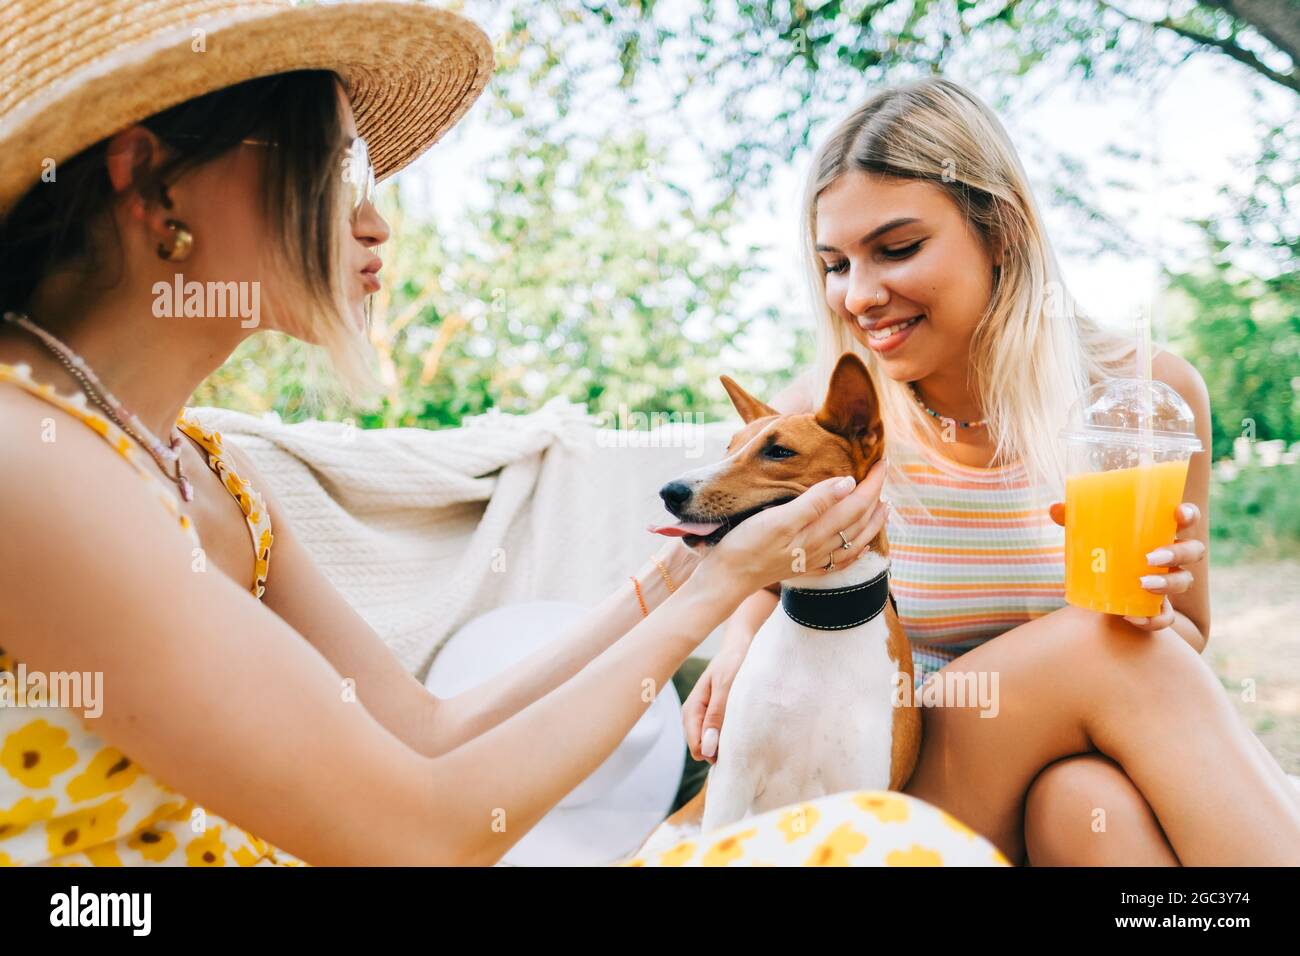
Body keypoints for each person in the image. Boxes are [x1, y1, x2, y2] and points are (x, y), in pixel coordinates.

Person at [0, 0, 889, 866]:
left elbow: (428, 732)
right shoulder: (26, 457)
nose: (375, 220)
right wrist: (715, 590)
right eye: (337, 172)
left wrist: (677, 576)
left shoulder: (207, 470)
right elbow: (419, 835)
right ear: (154, 184)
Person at [679, 77, 1300, 866]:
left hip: (1063, 769)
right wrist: (736, 646)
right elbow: (772, 594)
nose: (860, 296)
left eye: (897, 249)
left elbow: (1183, 641)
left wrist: (1152, 608)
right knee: (1099, 646)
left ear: (1002, 229)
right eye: (835, 264)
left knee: (1084, 803)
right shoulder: (832, 423)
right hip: (895, 765)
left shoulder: (1140, 397)